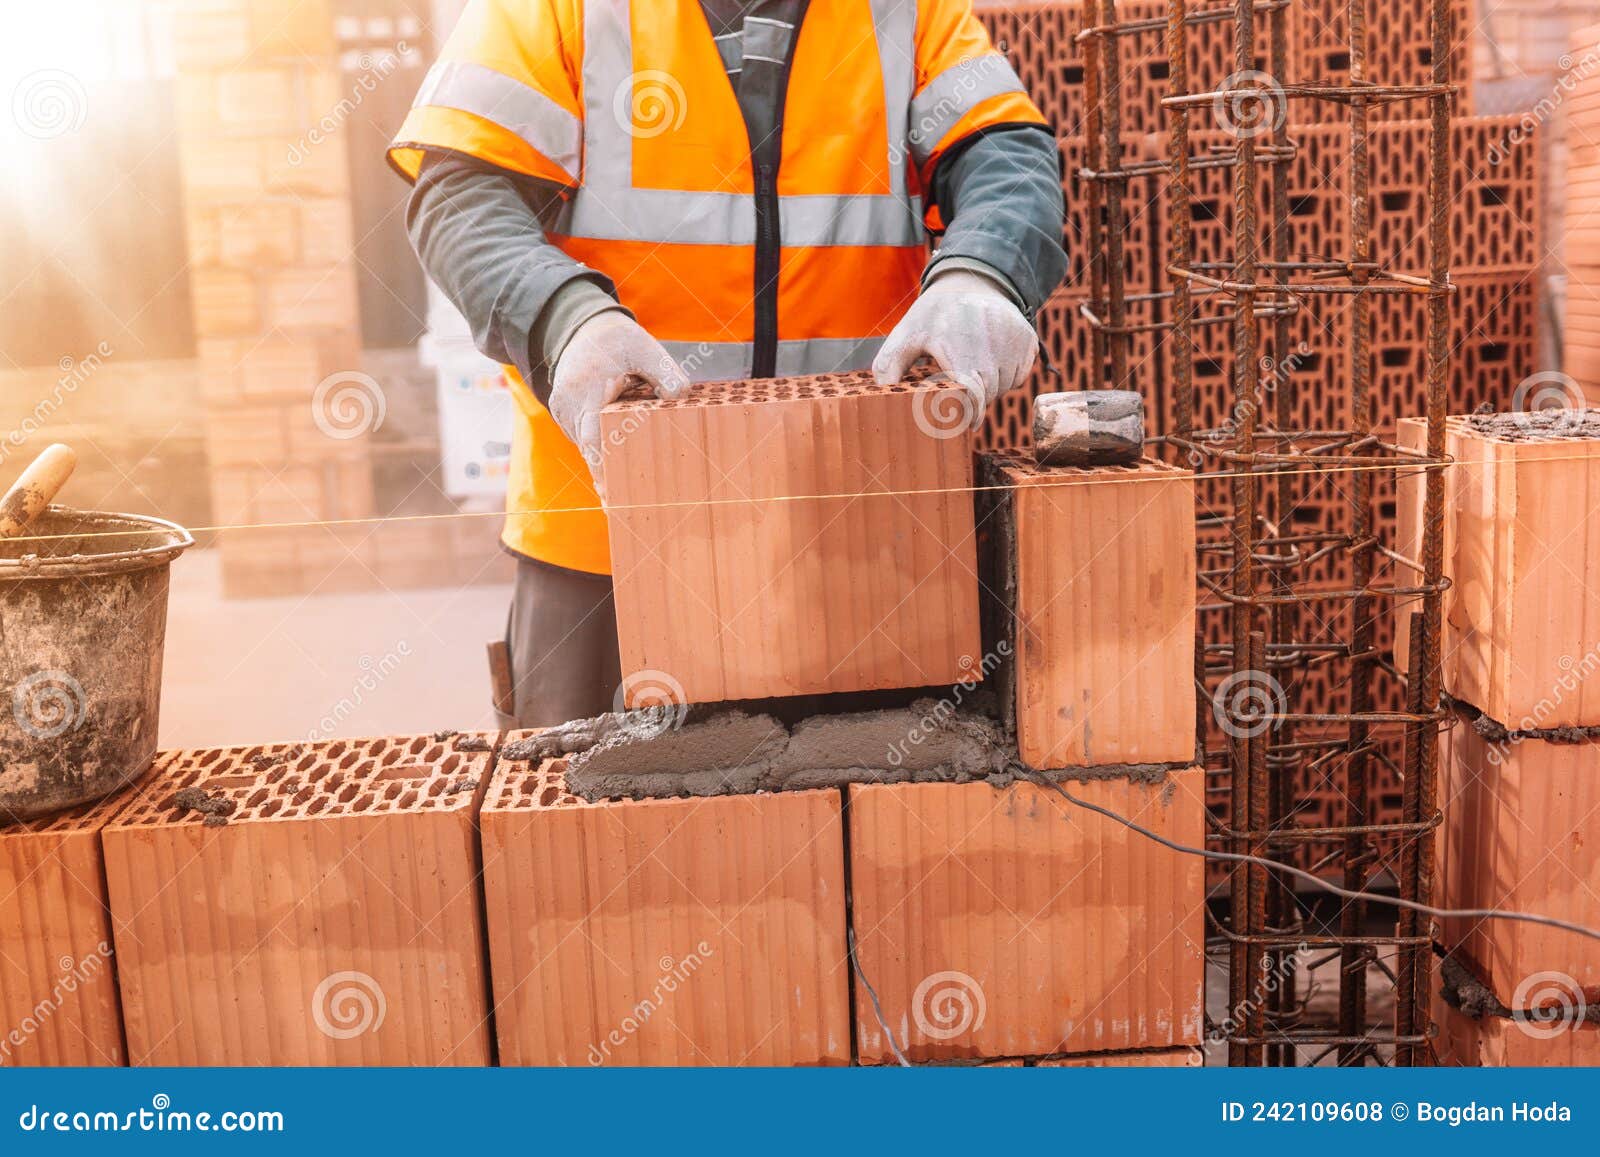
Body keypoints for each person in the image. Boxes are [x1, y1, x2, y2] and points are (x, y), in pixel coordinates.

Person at [392, 0, 1067, 727]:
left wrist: (983, 271)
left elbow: (1004, 152)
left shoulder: (904, 9)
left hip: (859, 533)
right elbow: (461, 196)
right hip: (606, 548)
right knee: (591, 835)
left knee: (878, 831)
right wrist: (567, 319)